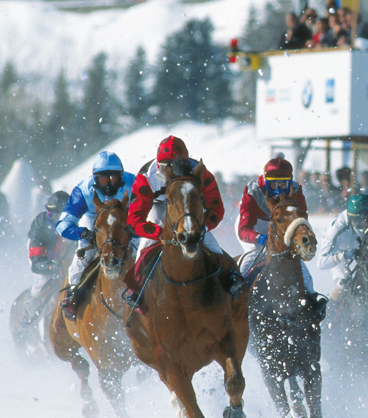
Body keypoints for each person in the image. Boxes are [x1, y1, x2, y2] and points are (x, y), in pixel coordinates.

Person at [125, 136, 244, 306]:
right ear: (158, 164)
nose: (169, 171)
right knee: (145, 248)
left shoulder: (200, 173)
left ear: (186, 163)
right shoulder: (147, 177)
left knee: (212, 245)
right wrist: (158, 232)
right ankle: (136, 289)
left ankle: (230, 275)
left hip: (189, 208)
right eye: (165, 166)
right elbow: (134, 218)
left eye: (176, 165)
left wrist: (203, 228)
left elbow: (216, 207)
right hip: (159, 209)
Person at [235, 157, 327, 313]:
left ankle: (312, 297)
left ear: (289, 182)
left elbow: (301, 220)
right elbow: (244, 230)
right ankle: (237, 297)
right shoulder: (252, 191)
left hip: (282, 225)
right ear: (265, 180)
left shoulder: (296, 190)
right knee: (250, 260)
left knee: (303, 271)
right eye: (273, 184)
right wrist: (259, 238)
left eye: (283, 184)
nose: (278, 189)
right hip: (257, 225)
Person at [56, 152, 136, 319]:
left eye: (113, 178)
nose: (108, 185)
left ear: (121, 177)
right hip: (94, 220)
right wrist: (83, 233)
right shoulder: (83, 190)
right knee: (84, 255)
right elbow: (62, 225)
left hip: (124, 220)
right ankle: (72, 294)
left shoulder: (134, 184)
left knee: (142, 248)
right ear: (95, 178)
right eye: (103, 179)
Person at [318, 192, 368, 296]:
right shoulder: (336, 230)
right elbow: (321, 263)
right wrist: (343, 255)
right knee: (344, 281)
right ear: (353, 219)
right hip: (341, 251)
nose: (366, 224)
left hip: (362, 247)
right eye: (362, 221)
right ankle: (332, 311)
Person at [27, 190, 69, 297]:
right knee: (44, 282)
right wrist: (50, 267)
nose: (60, 220)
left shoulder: (77, 225)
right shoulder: (40, 227)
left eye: (64, 216)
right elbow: (36, 264)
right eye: (56, 216)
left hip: (64, 260)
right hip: (45, 258)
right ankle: (32, 308)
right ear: (49, 214)